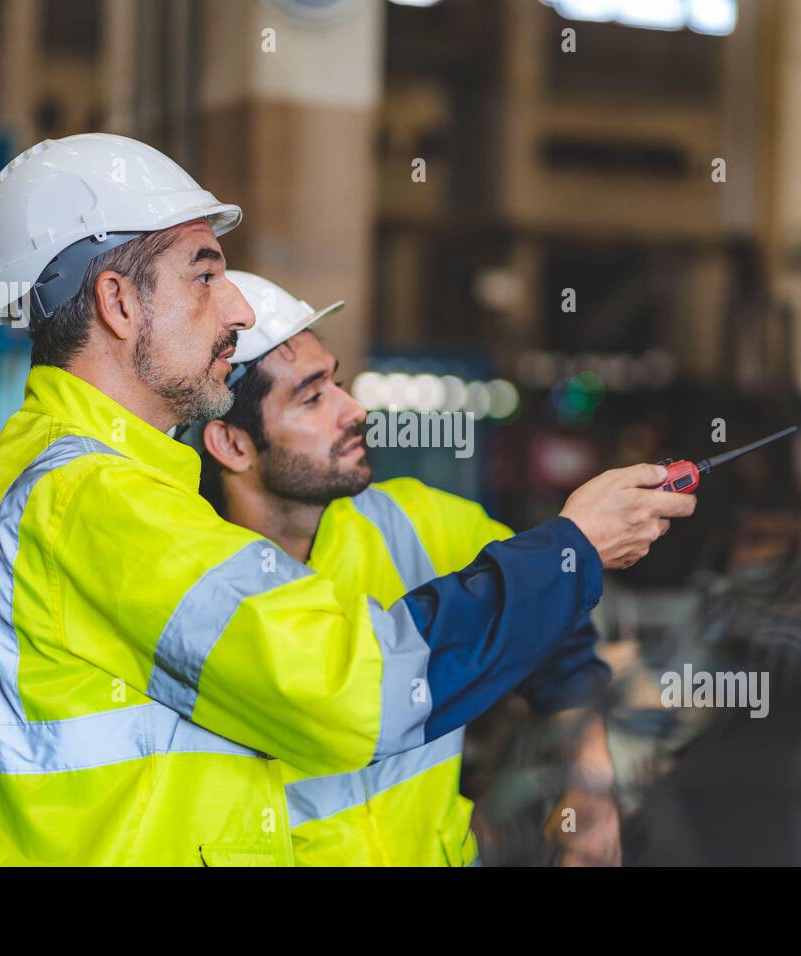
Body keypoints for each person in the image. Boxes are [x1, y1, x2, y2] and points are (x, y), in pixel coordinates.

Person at [0, 132, 695, 865]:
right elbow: (352, 690)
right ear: (119, 303)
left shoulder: (79, 481)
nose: (239, 309)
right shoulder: (92, 497)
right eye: (205, 275)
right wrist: (575, 546)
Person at [194, 271, 620, 865]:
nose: (354, 409)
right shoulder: (190, 591)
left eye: (337, 382)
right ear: (232, 445)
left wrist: (589, 786)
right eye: (313, 397)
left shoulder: (418, 522)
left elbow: (554, 619)